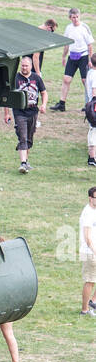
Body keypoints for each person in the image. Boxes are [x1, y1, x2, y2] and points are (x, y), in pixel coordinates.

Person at [4, 55, 47, 173]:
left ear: (31, 66)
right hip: (19, 112)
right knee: (22, 137)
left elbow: (44, 92)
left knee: (29, 139)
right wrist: (7, 113)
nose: (24, 68)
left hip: (33, 112)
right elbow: (7, 97)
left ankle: (26, 161)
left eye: (26, 66)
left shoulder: (36, 78)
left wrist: (44, 105)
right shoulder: (15, 78)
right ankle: (22, 163)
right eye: (22, 65)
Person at [52, 7, 94, 111]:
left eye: (77, 17)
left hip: (83, 56)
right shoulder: (68, 28)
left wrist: (90, 60)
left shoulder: (84, 28)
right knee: (66, 79)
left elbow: (90, 45)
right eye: (73, 17)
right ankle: (62, 104)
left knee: (85, 81)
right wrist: (63, 56)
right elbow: (67, 44)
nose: (75, 19)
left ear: (79, 16)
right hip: (72, 56)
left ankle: (90, 104)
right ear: (70, 18)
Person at [79, 185, 96, 316]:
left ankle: (93, 302)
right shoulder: (88, 214)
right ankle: (84, 310)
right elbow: (88, 238)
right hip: (90, 252)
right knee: (90, 281)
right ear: (90, 198)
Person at [86, 54, 96, 168]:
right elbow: (94, 92)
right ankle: (92, 158)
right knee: (93, 131)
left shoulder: (90, 73)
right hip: (94, 107)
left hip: (91, 106)